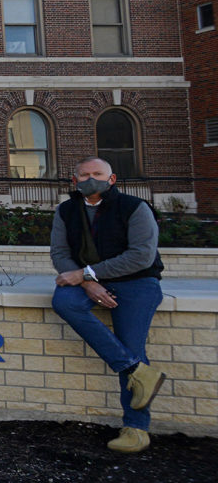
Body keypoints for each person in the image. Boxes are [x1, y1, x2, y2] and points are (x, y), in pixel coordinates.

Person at [50, 156, 168, 454]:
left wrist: (88, 273)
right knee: (64, 301)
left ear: (112, 179)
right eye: (85, 174)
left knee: (131, 342)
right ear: (74, 181)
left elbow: (141, 255)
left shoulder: (135, 208)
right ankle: (136, 370)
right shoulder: (66, 211)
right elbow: (60, 253)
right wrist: (87, 282)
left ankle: (136, 428)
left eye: (98, 174)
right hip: (87, 282)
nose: (91, 179)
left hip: (137, 282)